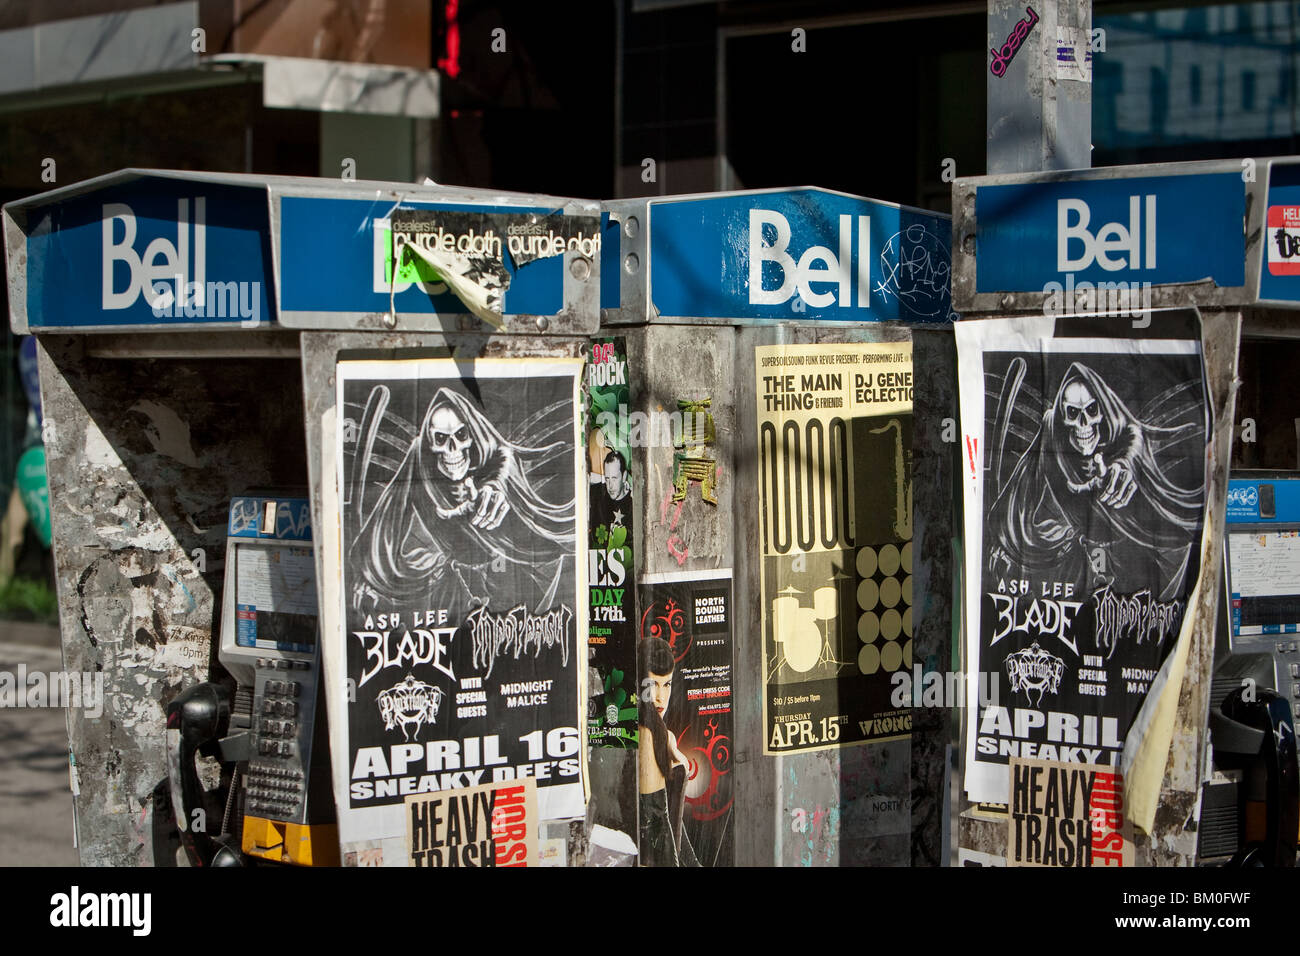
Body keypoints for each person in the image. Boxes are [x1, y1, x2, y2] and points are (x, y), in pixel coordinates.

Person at [988, 362, 1203, 601]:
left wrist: (1123, 467)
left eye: (1091, 411)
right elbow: (1039, 487)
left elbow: (1133, 436)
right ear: (1063, 416)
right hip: (1052, 551)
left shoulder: (1119, 431)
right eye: (1073, 414)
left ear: (1103, 411)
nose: (1083, 424)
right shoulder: (1052, 432)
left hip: (1112, 551)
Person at [638, 636, 699, 866]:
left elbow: (674, 829)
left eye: (667, 684)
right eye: (652, 685)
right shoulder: (646, 735)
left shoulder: (662, 735)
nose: (661, 696)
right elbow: (656, 828)